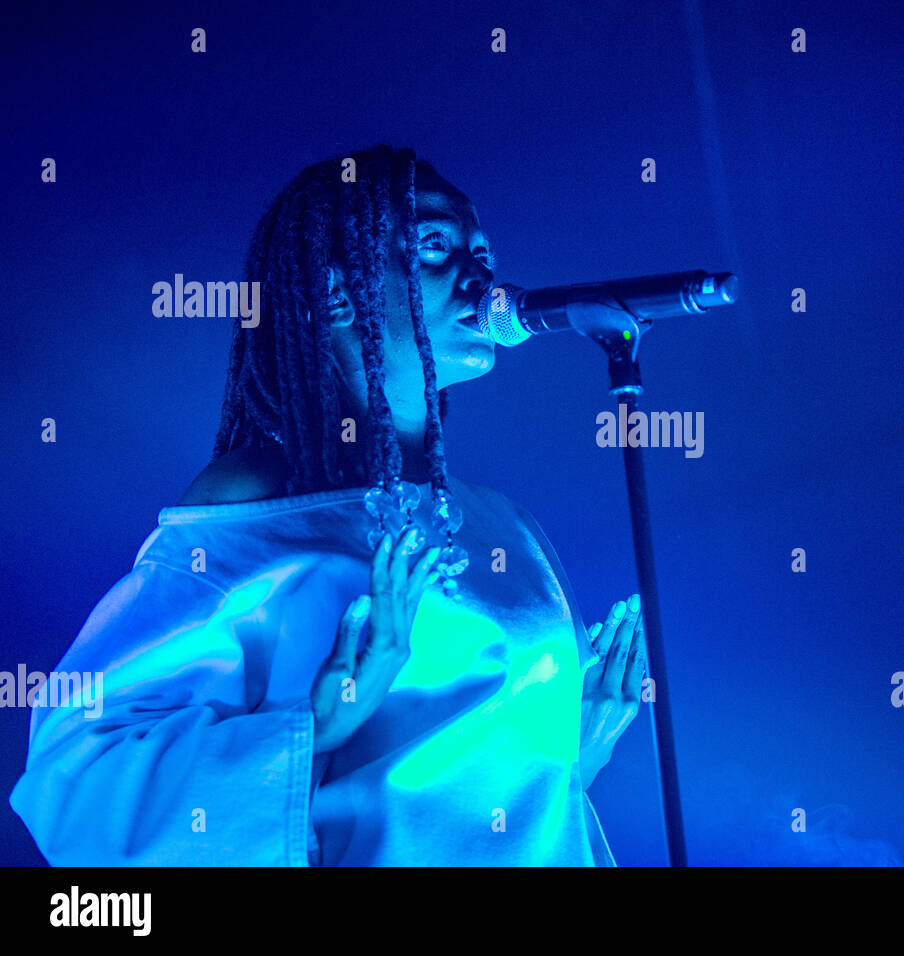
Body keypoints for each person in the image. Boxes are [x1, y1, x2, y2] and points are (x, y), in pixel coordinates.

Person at [9, 145, 644, 865]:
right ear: (336, 289)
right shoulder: (259, 496)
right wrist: (316, 720)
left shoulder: (505, 523)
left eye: (482, 252)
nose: (481, 277)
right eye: (433, 246)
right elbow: (82, 757)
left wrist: (573, 755)